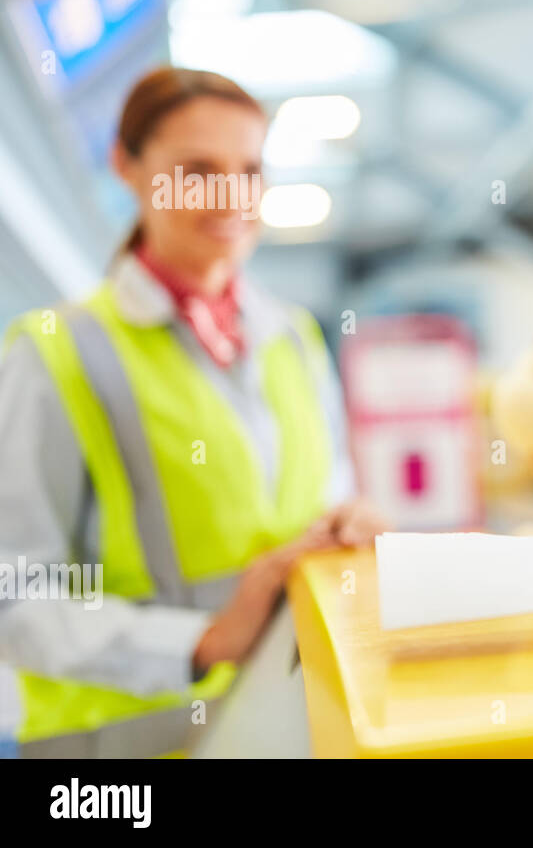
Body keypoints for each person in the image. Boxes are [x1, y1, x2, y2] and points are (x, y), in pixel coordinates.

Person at [0, 67, 386, 758]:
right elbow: (15, 594)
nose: (232, 195)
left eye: (249, 169)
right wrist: (203, 640)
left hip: (280, 728)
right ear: (126, 167)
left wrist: (345, 527)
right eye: (197, 170)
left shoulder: (293, 338)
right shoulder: (55, 353)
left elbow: (323, 499)